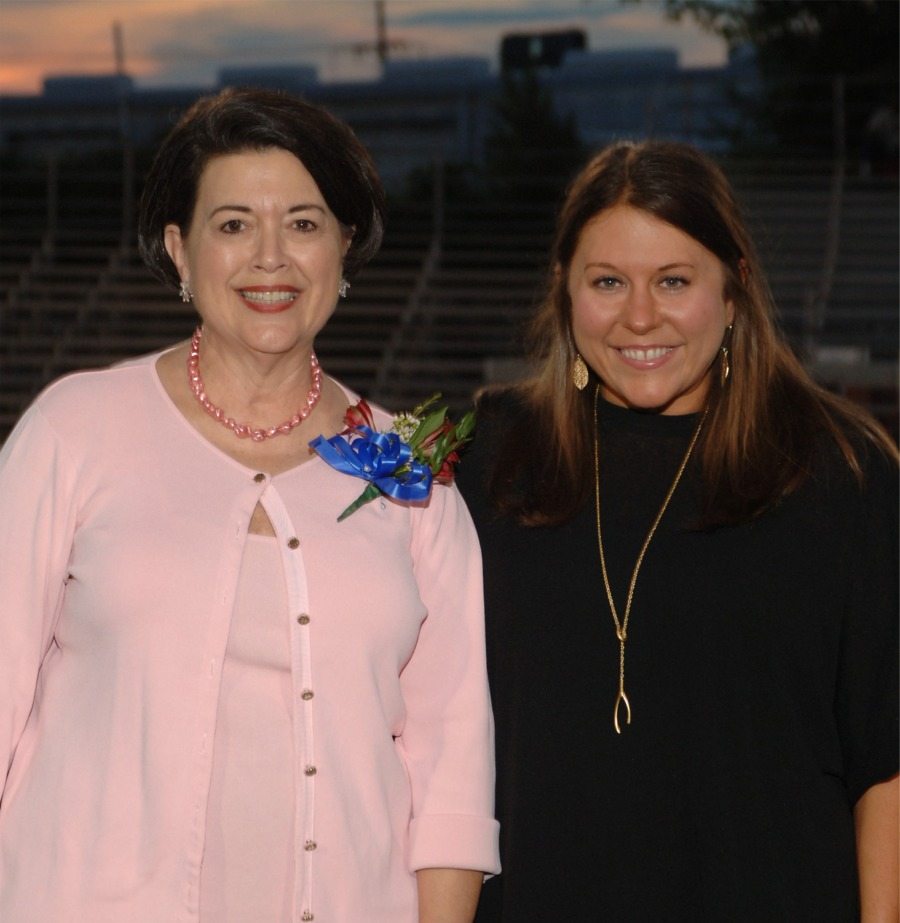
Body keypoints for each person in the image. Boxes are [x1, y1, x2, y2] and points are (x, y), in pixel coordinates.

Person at [0, 87, 499, 923]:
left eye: (303, 224)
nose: (271, 257)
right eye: (233, 225)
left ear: (343, 247)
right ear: (180, 251)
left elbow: (451, 763)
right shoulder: (72, 432)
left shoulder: (410, 468)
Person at [457, 140, 898, 922]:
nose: (639, 315)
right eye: (607, 282)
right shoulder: (491, 455)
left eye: (673, 281)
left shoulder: (841, 470)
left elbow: (886, 762)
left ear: (733, 290)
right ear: (564, 292)